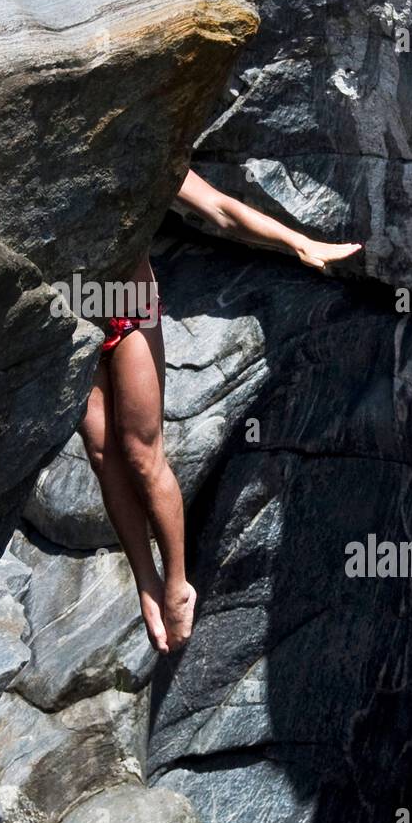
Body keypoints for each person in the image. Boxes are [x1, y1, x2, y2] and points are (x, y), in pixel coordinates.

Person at [78, 168, 362, 655]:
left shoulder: (141, 140)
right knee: (103, 453)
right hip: (71, 311)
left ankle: (177, 583)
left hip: (127, 301)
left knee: (141, 452)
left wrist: (298, 242)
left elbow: (219, 208)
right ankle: (146, 583)